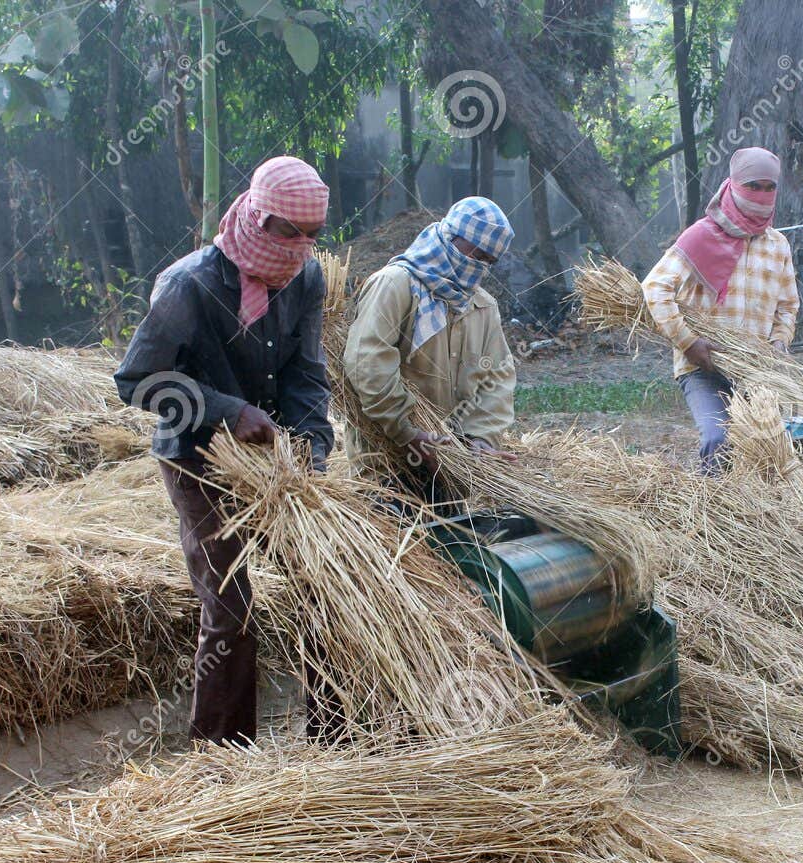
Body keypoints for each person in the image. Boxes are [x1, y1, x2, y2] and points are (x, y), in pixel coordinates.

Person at [115, 155, 336, 746]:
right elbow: (137, 380)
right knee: (231, 607)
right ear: (259, 218)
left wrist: (312, 447)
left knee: (330, 582)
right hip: (198, 460)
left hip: (278, 461)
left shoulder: (307, 278)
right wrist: (227, 411)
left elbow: (306, 374)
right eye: (290, 233)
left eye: (313, 236)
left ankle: (339, 739)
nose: (301, 248)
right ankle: (223, 756)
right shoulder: (188, 285)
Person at [642, 147, 798, 472]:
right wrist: (688, 342)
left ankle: (761, 518)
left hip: (754, 370)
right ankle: (708, 517)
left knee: (772, 450)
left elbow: (787, 306)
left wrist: (780, 343)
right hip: (703, 367)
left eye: (770, 187)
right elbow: (654, 288)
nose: (762, 194)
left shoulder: (777, 245)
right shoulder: (702, 235)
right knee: (719, 441)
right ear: (735, 184)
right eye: (753, 185)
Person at [343, 197, 518, 479]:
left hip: (449, 469)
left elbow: (496, 380)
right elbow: (366, 363)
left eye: (488, 261)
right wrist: (407, 433)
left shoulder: (483, 308)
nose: (479, 267)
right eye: (475, 255)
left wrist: (480, 442)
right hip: (385, 467)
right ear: (450, 237)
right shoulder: (395, 285)